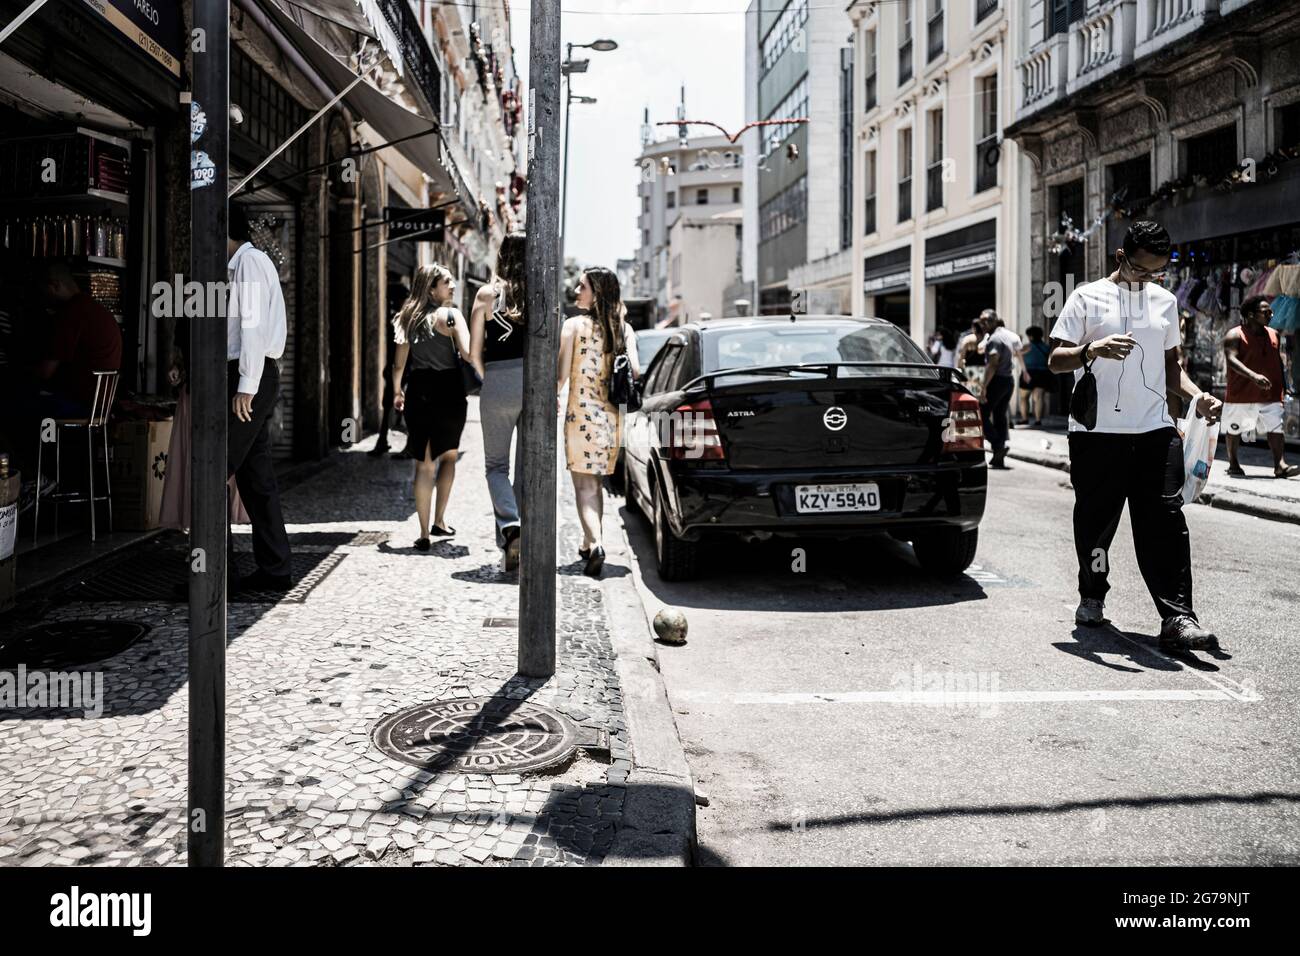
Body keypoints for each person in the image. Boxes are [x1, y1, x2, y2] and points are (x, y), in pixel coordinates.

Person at [1048, 219, 1222, 652]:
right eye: (1142, 271)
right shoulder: (1086, 297)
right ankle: (1092, 592)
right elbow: (1055, 360)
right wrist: (1091, 350)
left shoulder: (1164, 302)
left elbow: (1171, 368)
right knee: (1096, 521)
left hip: (1155, 429)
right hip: (1097, 432)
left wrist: (1198, 396)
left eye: (1158, 272)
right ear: (1121, 258)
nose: (1149, 280)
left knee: (1164, 520)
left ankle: (1178, 617)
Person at [226, 204, 293, 591]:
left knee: (213, 468)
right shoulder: (246, 264)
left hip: (250, 374)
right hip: (254, 373)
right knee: (255, 476)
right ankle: (275, 568)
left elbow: (251, 327)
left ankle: (212, 572)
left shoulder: (249, 262)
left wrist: (246, 384)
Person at [556, 266, 639, 577]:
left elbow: (561, 376)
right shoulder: (623, 329)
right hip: (610, 418)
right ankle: (589, 542)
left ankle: (597, 542)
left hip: (580, 417)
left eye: (582, 287)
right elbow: (636, 371)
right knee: (596, 485)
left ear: (597, 293)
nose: (577, 292)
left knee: (583, 487)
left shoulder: (573, 326)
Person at [392, 263, 475, 551]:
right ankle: (440, 519)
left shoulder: (408, 318)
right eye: (446, 282)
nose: (452, 285)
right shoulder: (452, 317)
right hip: (449, 390)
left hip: (419, 391)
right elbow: (467, 353)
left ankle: (425, 532)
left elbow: (399, 364)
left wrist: (396, 391)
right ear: (431, 288)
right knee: (449, 457)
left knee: (423, 465)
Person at [470, 232, 527, 571]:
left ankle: (509, 526)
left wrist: (489, 375)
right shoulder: (537, 292)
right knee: (525, 469)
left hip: (497, 381)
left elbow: (474, 353)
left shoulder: (486, 294)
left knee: (496, 466)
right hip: (532, 386)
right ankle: (514, 547)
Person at [1222, 295, 1298, 479]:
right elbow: (1231, 360)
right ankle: (1233, 463)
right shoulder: (1234, 334)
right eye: (1266, 312)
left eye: (1270, 311)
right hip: (1241, 393)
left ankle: (1280, 465)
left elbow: (1278, 361)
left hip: (1270, 393)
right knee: (1234, 429)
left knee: (1275, 427)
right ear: (1250, 315)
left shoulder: (1274, 334)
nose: (1271, 314)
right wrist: (1253, 376)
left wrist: (1285, 384)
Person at [369, 276, 410, 458]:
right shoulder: (396, 319)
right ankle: (383, 440)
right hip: (396, 369)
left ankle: (406, 443)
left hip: (404, 369)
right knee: (388, 405)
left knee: (404, 407)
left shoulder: (404, 320)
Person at [979, 310, 1018, 469]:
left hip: (998, 380)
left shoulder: (994, 338)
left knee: (981, 414)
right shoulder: (1006, 335)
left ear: (995, 321)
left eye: (986, 321)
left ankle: (997, 445)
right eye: (981, 321)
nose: (983, 325)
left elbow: (993, 363)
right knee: (1000, 414)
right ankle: (999, 453)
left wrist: (983, 386)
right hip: (1008, 380)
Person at [1018, 325, 1053, 426]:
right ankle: (1038, 420)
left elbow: (1016, 353)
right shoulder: (1046, 347)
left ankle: (1024, 419)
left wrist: (1019, 341)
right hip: (1042, 373)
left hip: (1028, 372)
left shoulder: (1027, 346)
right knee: (1038, 398)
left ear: (1031, 336)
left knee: (1024, 397)